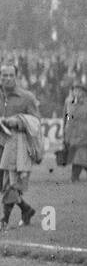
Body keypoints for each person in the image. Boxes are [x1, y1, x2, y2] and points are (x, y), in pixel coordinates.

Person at [0, 61, 41, 229]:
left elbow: (36, 122)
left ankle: (4, 220)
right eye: (4, 75)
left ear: (16, 77)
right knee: (4, 185)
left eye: (11, 75)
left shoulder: (26, 97)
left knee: (10, 184)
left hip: (16, 146)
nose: (8, 78)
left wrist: (16, 122)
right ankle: (26, 209)